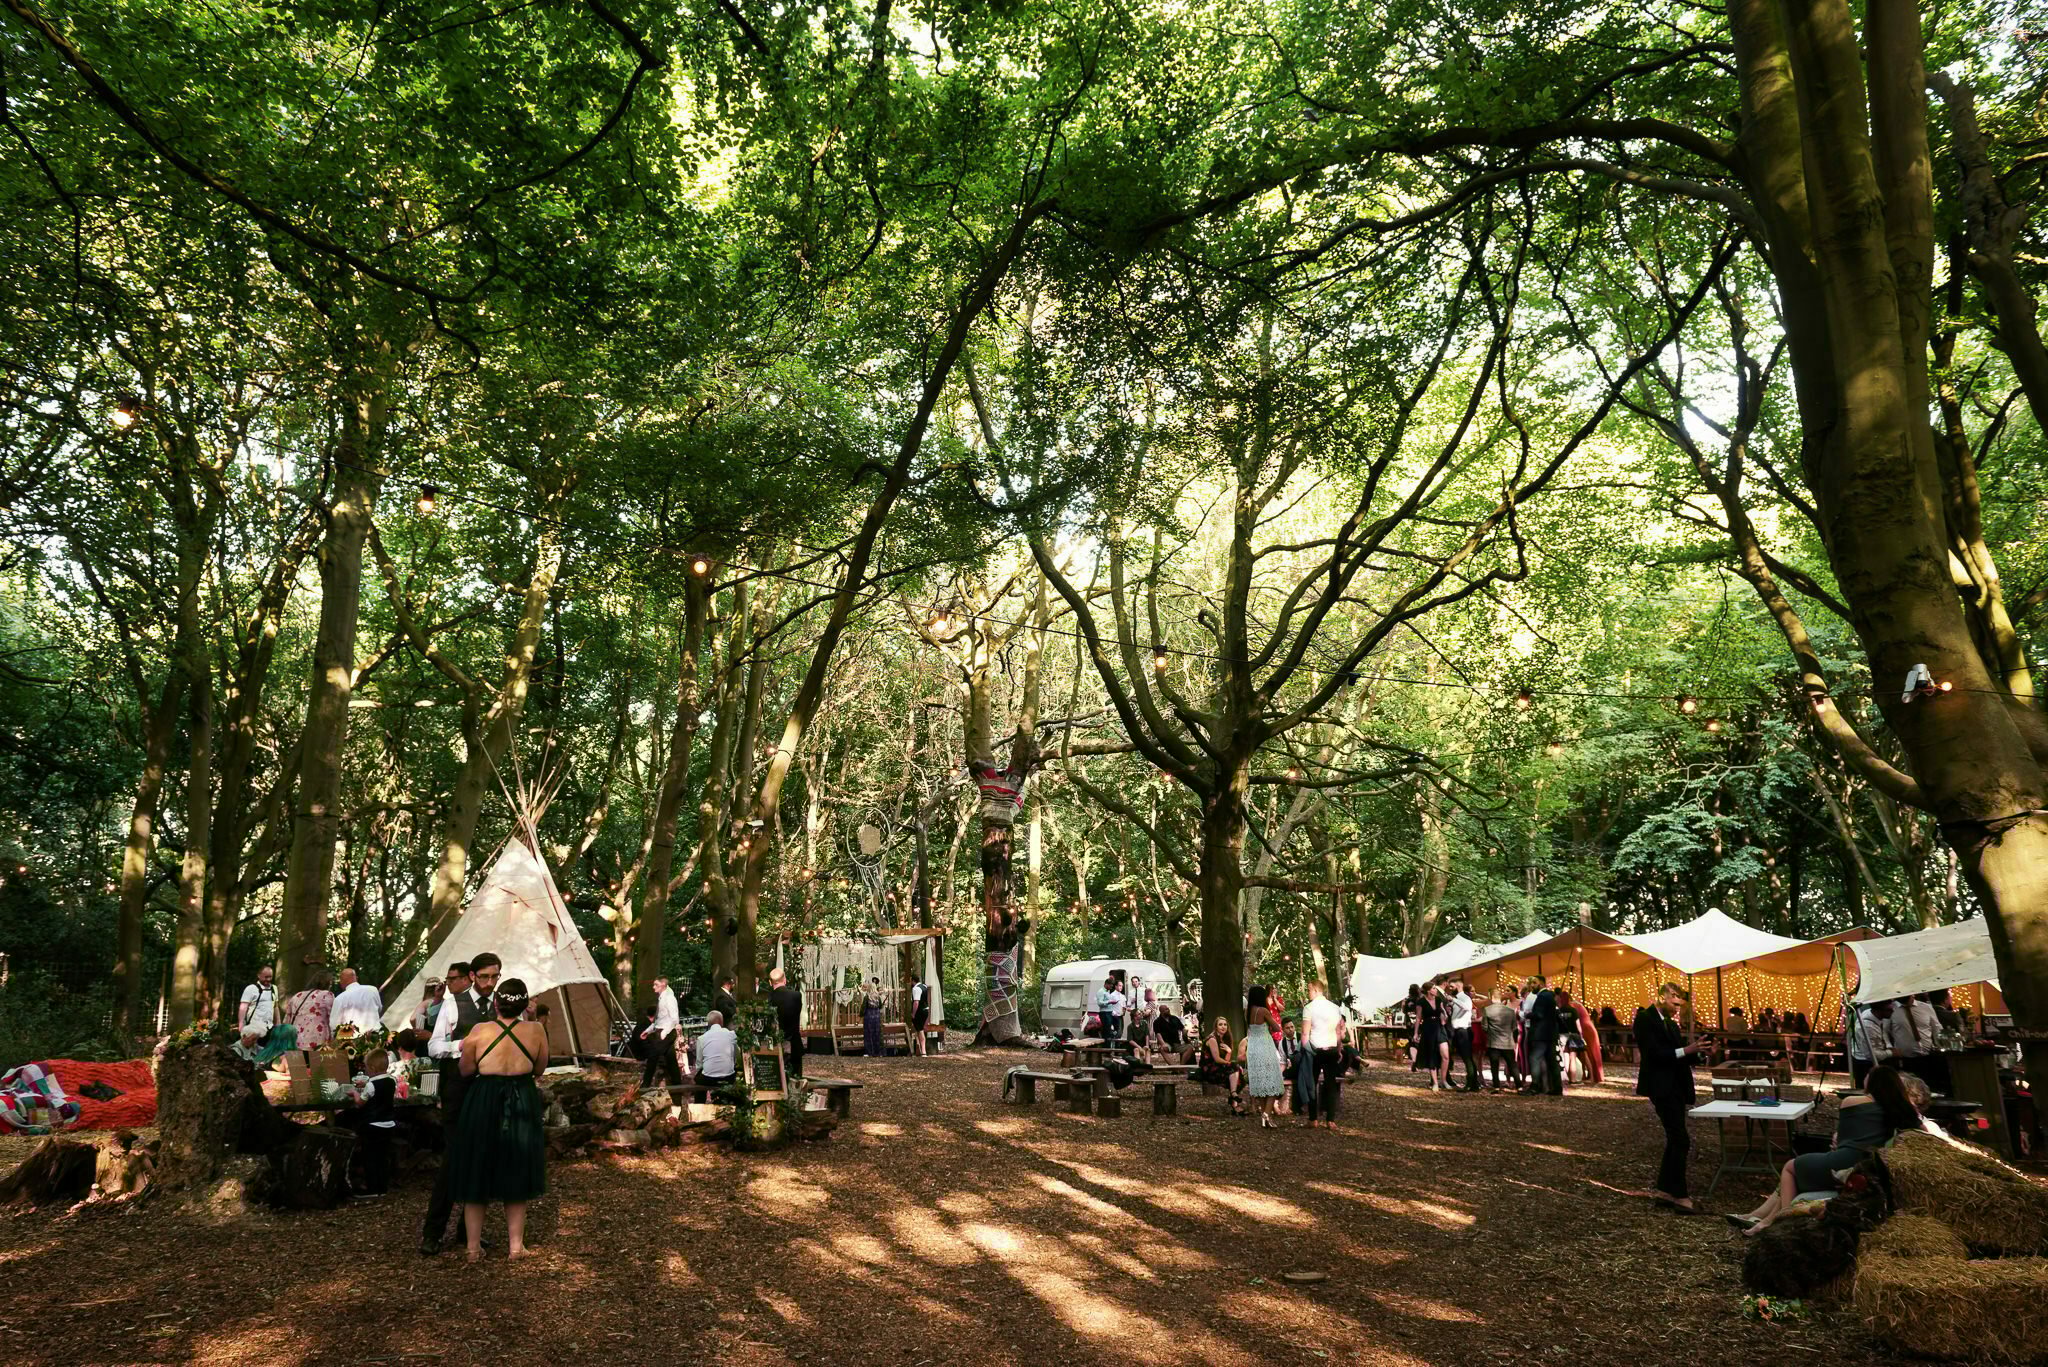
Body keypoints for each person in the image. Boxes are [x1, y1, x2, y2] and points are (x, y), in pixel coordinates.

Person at [1733, 1065, 1922, 1235]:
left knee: (1791, 1167)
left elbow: (1843, 1140)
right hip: (1868, 1167)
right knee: (1800, 1169)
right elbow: (1925, 1132)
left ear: (1871, 1082)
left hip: (1845, 1163)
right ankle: (1761, 1218)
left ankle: (1780, 1221)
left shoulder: (1852, 1101)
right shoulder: (1901, 1110)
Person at [449, 977, 548, 1260]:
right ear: (524, 1005)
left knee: (477, 1167)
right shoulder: (537, 1030)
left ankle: (472, 1248)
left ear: (496, 1002)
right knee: (517, 1167)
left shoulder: (480, 1030)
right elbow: (539, 1068)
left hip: (484, 1099)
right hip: (522, 1097)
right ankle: (516, 1246)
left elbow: (465, 1069)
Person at [420, 953, 499, 1256]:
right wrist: (462, 1045)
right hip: (458, 1089)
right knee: (453, 1161)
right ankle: (433, 1231)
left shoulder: (500, 1004)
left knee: (482, 1159)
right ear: (472, 976)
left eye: (494, 977)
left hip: (489, 1089)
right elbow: (434, 1046)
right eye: (484, 977)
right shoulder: (454, 1002)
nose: (489, 983)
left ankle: (470, 1233)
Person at [1632, 982, 1713, 1214]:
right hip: (1661, 1087)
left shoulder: (1670, 1024)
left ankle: (1665, 1191)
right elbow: (1654, 1055)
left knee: (1675, 1138)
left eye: (1680, 1003)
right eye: (1674, 1001)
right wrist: (1687, 1050)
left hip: (1676, 1087)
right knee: (1680, 1139)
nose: (1677, 1007)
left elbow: (1680, 1056)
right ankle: (1680, 1196)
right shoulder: (1645, 1019)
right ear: (1661, 996)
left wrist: (1700, 1052)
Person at [343, 1048, 399, 1196]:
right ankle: (382, 1187)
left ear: (372, 1068)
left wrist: (355, 1093)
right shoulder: (391, 1080)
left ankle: (372, 1188)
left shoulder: (371, 1085)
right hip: (388, 1124)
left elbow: (360, 1103)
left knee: (370, 1157)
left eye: (366, 1068)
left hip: (373, 1125)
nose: (366, 1071)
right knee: (382, 1157)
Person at [1302, 981, 1347, 1129]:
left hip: (1315, 1050)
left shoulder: (1308, 1008)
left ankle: (1313, 1119)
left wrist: (1304, 1050)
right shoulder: (1335, 1008)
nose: (1308, 993)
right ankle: (1330, 1119)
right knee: (1331, 1083)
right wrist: (1339, 1049)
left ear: (1315, 990)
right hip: (1332, 1049)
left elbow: (1305, 1033)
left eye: (1309, 990)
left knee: (1311, 1083)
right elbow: (1338, 1032)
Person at [1242, 1006, 1284, 1128]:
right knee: (1272, 1082)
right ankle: (1266, 1113)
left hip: (1253, 1047)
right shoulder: (1263, 1011)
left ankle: (1266, 1116)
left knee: (1261, 1083)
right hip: (1265, 1046)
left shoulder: (1247, 1012)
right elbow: (1277, 1028)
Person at [640, 976, 683, 1092]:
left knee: (653, 1056)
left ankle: (644, 1086)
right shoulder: (662, 998)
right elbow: (659, 1020)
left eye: (656, 985)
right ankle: (677, 1085)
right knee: (671, 1059)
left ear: (663, 985)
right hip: (662, 1030)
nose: (653, 987)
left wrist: (664, 1032)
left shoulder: (669, 998)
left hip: (667, 1032)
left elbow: (674, 1019)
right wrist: (648, 1030)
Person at [1198, 1018, 1246, 1115]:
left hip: (1219, 1066)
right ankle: (1234, 1097)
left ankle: (1234, 1101)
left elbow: (1226, 1060)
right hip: (1209, 1068)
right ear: (1216, 1027)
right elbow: (1217, 1059)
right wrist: (1229, 1063)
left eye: (1225, 1024)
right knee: (1235, 1069)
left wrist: (1229, 1051)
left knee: (1239, 1076)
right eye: (1220, 1024)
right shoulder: (1212, 1039)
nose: (1223, 1027)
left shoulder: (1224, 1039)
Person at [1523, 976, 1561, 1096]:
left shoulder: (1542, 996)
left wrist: (1528, 1015)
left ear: (1542, 984)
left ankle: (1534, 1086)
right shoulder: (1550, 996)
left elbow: (1539, 1015)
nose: (1532, 985)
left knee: (1534, 1058)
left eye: (1535, 983)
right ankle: (1557, 1088)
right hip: (1551, 1034)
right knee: (1552, 1061)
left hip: (1540, 1034)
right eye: (1531, 983)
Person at [1847, 999, 1896, 1089]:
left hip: (1879, 1057)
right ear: (1879, 1009)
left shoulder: (1876, 1017)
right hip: (1865, 1063)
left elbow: (1881, 1033)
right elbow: (1870, 1054)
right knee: (1868, 1090)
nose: (1893, 1010)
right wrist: (1891, 1053)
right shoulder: (1866, 1026)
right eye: (1888, 1009)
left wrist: (1889, 1047)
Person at [1558, 987, 1603, 1085]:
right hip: (1577, 1032)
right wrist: (1580, 1035)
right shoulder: (1574, 1007)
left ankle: (1569, 1077)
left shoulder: (1563, 1009)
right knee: (1582, 1055)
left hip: (1570, 1033)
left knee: (1570, 1056)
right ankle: (1590, 1076)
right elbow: (1578, 1024)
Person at [284, 968, 336, 1049]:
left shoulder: (297, 996)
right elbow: (333, 1019)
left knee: (298, 1062)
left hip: (295, 1042)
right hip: (317, 1043)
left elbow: (286, 1021)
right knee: (316, 1062)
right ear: (328, 983)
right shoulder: (326, 995)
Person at [1482, 986, 1520, 1092]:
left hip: (1493, 1042)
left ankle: (1496, 1086)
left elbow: (1484, 1027)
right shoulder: (1510, 1011)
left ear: (1492, 997)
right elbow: (1514, 1028)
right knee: (1513, 1065)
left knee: (1494, 1065)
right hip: (1508, 1042)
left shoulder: (1487, 1010)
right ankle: (1519, 1086)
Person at [769, 967, 805, 1079]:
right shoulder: (796, 996)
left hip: (772, 1045)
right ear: (784, 979)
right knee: (795, 1078)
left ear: (770, 982)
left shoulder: (768, 999)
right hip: (793, 1041)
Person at [330, 967, 385, 1038]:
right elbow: (379, 1009)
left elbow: (334, 1025)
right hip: (375, 1036)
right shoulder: (373, 990)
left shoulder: (339, 999)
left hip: (353, 1040)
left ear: (341, 982)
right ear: (356, 978)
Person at [1445, 977, 1479, 1092]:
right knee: (1465, 1057)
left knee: (1467, 1058)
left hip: (1463, 1031)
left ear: (1458, 986)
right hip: (1457, 1031)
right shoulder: (1458, 998)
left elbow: (1467, 1008)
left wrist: (1453, 1000)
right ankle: (1474, 1084)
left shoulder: (1465, 997)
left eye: (1451, 987)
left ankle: (1470, 1084)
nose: (1450, 989)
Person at [695, 1010, 740, 1088]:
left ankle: (700, 1100)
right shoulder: (731, 1035)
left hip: (709, 1078)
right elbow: (737, 1054)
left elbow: (699, 1063)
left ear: (709, 1024)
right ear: (721, 1022)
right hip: (728, 1077)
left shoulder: (702, 1038)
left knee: (698, 1080)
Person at [1418, 982, 1450, 1090]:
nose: (1436, 990)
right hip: (1428, 1027)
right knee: (1431, 1055)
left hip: (1439, 1027)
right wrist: (1415, 1033)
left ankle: (1444, 1080)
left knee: (1445, 1055)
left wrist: (1445, 1016)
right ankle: (1435, 1082)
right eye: (1434, 988)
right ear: (1428, 991)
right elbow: (1418, 1018)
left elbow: (1442, 1012)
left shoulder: (1438, 1000)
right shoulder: (1421, 1002)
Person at [238, 964, 278, 1034]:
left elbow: (275, 1007)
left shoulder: (274, 988)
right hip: (253, 1028)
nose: (268, 979)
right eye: (266, 977)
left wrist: (278, 1024)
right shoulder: (251, 988)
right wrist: (241, 1024)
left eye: (270, 977)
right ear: (259, 975)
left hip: (270, 1027)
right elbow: (243, 1007)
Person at [1098, 975, 1125, 1044]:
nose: (1111, 987)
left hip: (1109, 1012)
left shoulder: (1107, 991)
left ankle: (1109, 1047)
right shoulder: (1101, 991)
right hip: (1104, 1013)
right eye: (1110, 985)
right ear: (1106, 984)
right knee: (1107, 1031)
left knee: (1111, 1031)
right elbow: (1099, 1003)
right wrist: (1109, 1002)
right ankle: (1106, 1049)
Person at [862, 977, 886, 1056]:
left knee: (869, 1034)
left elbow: (863, 1008)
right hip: (876, 1017)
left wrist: (860, 1015)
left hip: (868, 1017)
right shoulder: (878, 997)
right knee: (877, 1033)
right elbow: (880, 1006)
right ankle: (879, 1052)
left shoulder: (867, 997)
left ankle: (869, 1052)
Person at [909, 978, 930, 1056]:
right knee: (919, 1030)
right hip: (926, 1009)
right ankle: (920, 1049)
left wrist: (913, 1013)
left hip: (919, 1011)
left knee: (920, 1030)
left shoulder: (916, 989)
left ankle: (923, 1051)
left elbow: (916, 1002)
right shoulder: (924, 986)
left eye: (911, 981)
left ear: (913, 981)